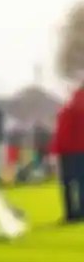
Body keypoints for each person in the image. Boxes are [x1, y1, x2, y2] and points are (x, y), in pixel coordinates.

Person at [50, 83, 84, 222]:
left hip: (67, 151)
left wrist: (56, 149)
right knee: (82, 183)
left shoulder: (67, 110)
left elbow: (62, 133)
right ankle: (81, 211)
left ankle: (70, 214)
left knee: (67, 184)